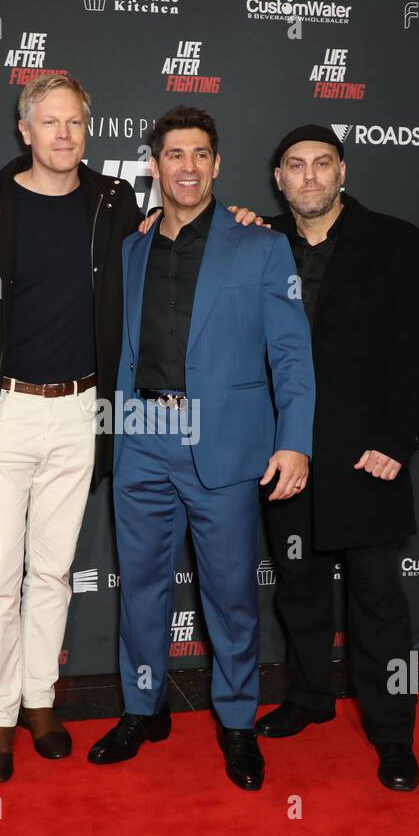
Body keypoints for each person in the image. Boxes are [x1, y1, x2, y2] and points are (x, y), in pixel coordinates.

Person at [87, 106, 315, 792]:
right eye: (173, 154)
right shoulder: (132, 247)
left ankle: (237, 722)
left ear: (217, 164)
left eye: (200, 154)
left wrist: (295, 443)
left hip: (224, 444)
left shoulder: (261, 245)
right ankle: (142, 707)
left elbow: (292, 356)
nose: (186, 166)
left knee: (231, 596)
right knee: (143, 592)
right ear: (153, 165)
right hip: (143, 437)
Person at [0, 74, 143, 783]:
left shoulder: (113, 202)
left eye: (75, 123)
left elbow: (170, 252)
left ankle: (40, 699)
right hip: (3, 414)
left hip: (80, 411)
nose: (64, 134)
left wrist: (240, 220)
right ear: (24, 130)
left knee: (55, 571)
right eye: (51, 122)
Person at [254, 126, 419, 793]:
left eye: (322, 165)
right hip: (287, 456)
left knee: (378, 602)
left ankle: (393, 734)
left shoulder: (394, 240)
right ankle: (308, 698)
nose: (309, 177)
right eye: (296, 166)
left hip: (367, 459)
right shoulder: (258, 243)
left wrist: (395, 443)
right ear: (279, 178)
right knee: (299, 588)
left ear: (342, 171)